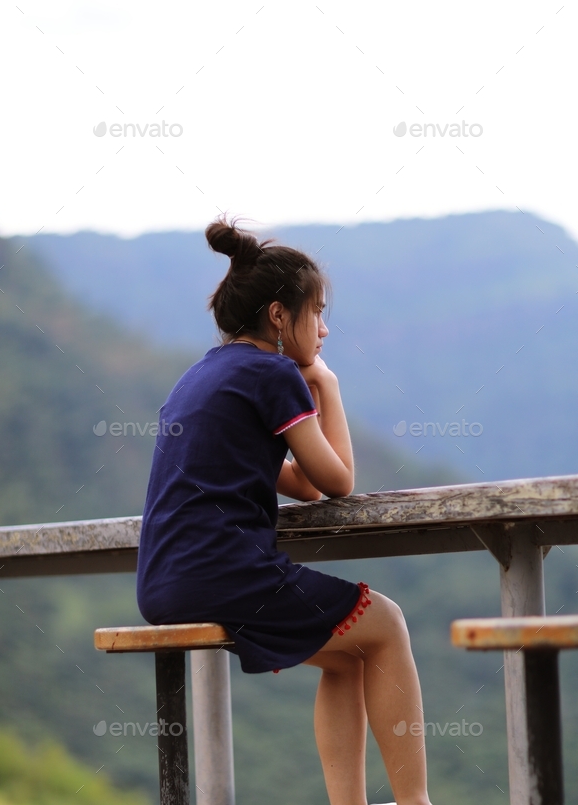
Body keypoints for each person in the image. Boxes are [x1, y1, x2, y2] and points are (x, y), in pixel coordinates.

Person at [136, 215, 432, 805]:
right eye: (317, 312)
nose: (323, 330)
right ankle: (416, 802)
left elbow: (304, 486)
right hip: (225, 572)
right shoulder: (271, 372)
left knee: (348, 656)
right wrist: (329, 387)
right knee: (388, 622)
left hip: (163, 582)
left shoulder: (205, 376)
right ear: (279, 315)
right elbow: (338, 481)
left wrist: (313, 393)